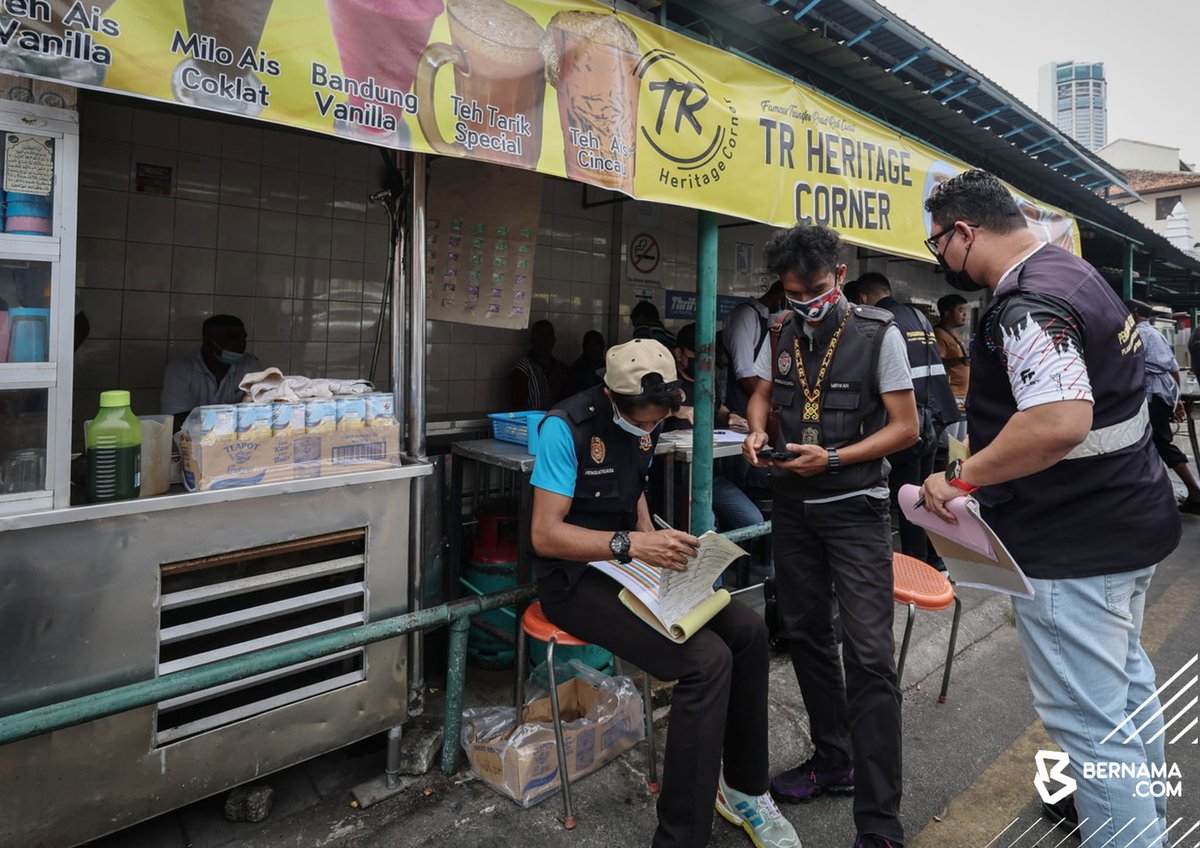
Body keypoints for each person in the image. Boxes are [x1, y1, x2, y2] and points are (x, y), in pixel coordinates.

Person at [918, 169, 1181, 848]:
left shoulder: (1028, 304)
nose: (940, 258)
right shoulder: (1073, 272)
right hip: (1127, 522)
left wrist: (962, 477)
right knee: (1125, 692)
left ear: (966, 232)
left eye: (937, 243)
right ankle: (1146, 820)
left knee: (1091, 731)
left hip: (1074, 542)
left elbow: (1058, 422)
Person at [531, 338, 800, 848]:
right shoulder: (563, 429)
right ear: (612, 396)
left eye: (658, 421)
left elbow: (632, 489)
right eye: (644, 421)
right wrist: (633, 544)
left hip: (629, 564)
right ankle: (680, 836)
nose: (650, 429)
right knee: (705, 662)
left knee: (747, 630)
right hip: (572, 578)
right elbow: (545, 534)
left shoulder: (645, 426)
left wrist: (657, 545)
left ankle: (743, 789)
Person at [742, 224, 917, 848]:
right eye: (792, 293)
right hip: (794, 509)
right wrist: (757, 430)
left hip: (856, 509)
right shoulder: (782, 328)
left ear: (839, 276)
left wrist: (837, 461)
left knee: (869, 657)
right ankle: (833, 760)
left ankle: (880, 824)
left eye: (813, 291)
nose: (803, 303)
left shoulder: (877, 335)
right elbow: (761, 392)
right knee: (807, 634)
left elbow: (905, 428)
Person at [854, 272, 960, 565]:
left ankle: (917, 562)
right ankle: (934, 558)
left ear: (863, 298)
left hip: (909, 420)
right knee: (925, 492)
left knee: (907, 496)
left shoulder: (881, 319)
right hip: (934, 414)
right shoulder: (916, 314)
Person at [670, 323, 763, 535]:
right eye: (695, 355)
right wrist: (673, 410)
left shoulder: (705, 382)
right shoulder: (668, 383)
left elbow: (717, 407)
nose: (701, 362)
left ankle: (736, 567)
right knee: (707, 528)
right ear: (679, 353)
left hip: (712, 477)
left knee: (753, 520)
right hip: (679, 480)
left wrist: (731, 416)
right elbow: (646, 413)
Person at [1127, 300, 1200, 512]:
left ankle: (1195, 492)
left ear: (1133, 314)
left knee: (1159, 442)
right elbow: (1174, 369)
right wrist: (1175, 400)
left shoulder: (1138, 335)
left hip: (1151, 395)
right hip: (1162, 392)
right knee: (1152, 441)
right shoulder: (1155, 333)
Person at [161, 314, 263, 431]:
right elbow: (174, 422)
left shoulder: (249, 364)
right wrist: (235, 417)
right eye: (231, 338)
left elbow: (260, 412)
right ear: (209, 341)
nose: (241, 344)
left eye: (243, 338)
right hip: (192, 443)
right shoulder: (180, 369)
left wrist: (203, 418)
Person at [722, 280, 787, 419]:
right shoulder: (745, 315)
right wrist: (766, 404)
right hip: (740, 406)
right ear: (782, 297)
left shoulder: (766, 318)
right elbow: (745, 372)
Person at [509, 319, 569, 410]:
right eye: (541, 336)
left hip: (557, 421)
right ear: (532, 340)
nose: (546, 340)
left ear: (554, 340)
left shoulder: (561, 369)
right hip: (531, 423)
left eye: (549, 336)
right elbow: (518, 408)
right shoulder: (521, 371)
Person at [567, 329, 606, 395]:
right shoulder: (577, 369)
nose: (592, 347)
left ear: (602, 347)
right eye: (589, 344)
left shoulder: (607, 367)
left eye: (596, 344)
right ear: (584, 347)